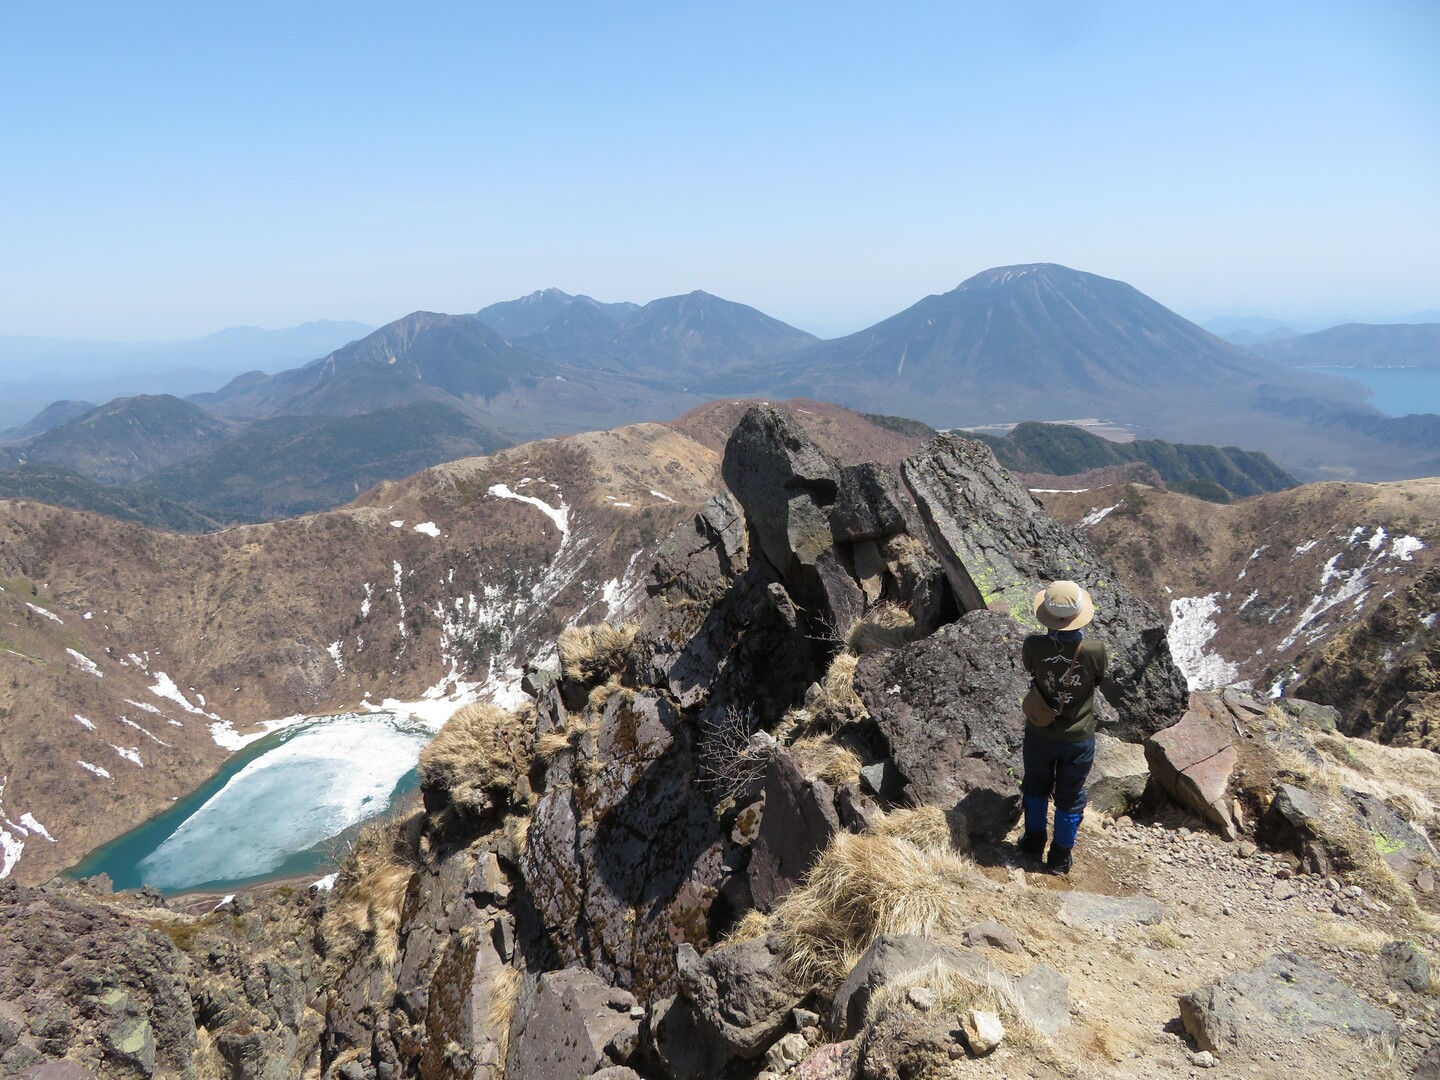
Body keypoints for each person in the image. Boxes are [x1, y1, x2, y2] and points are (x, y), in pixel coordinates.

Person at [1018, 580, 1108, 874]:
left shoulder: (1033, 645)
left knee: (1035, 786)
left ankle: (1033, 842)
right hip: (1079, 736)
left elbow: (1031, 669)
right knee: (1070, 796)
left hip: (1040, 732)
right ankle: (1059, 857)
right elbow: (1097, 680)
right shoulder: (1094, 650)